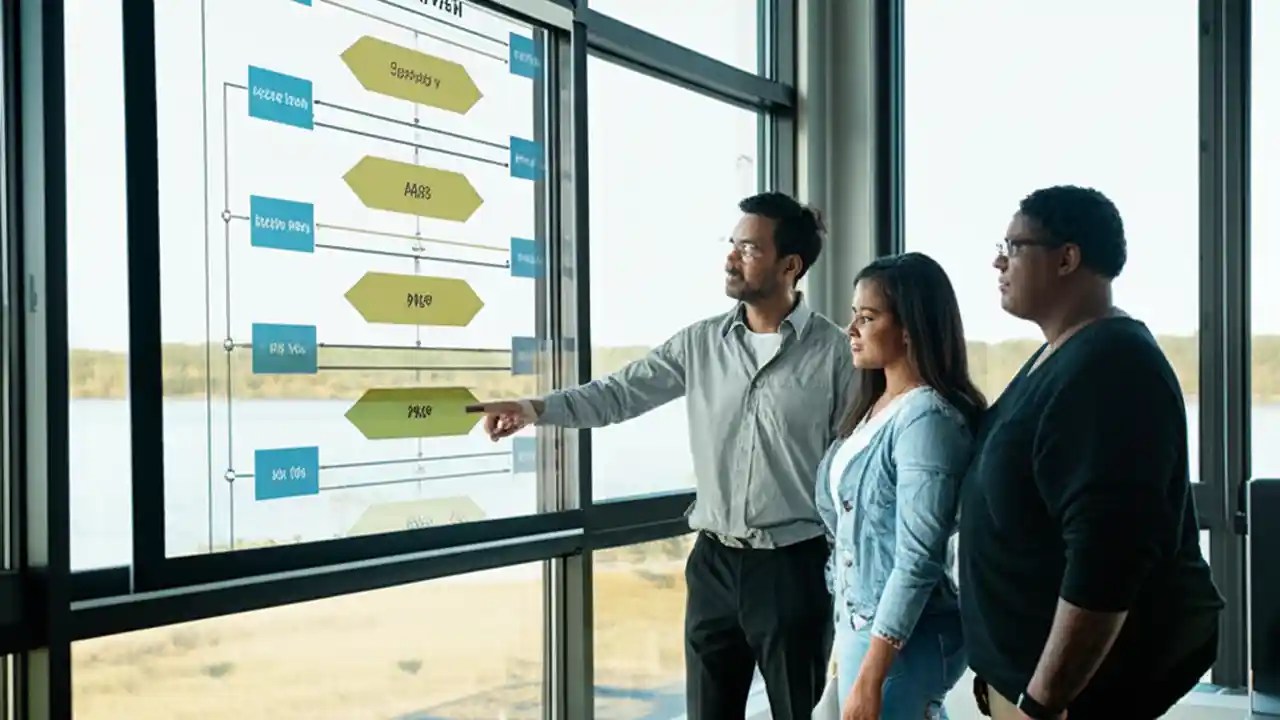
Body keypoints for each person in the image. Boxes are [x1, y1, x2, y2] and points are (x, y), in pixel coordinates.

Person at [467, 192, 856, 720]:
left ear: (790, 266)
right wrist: (534, 408)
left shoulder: (837, 355)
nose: (731, 258)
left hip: (792, 568)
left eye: (748, 248)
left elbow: (855, 466)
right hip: (714, 565)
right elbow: (616, 394)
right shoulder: (699, 344)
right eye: (732, 245)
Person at [958, 185, 1225, 719]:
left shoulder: (1111, 367)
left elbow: (1109, 558)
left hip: (1066, 698)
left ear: (1067, 258)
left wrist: (1043, 701)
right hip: (1023, 680)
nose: (997, 260)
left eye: (1013, 247)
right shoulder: (1061, 353)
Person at [815, 253, 985, 720]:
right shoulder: (874, 408)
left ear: (910, 328)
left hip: (901, 639)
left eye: (867, 318)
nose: (850, 329)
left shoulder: (926, 419)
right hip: (859, 627)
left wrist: (871, 673)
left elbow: (916, 558)